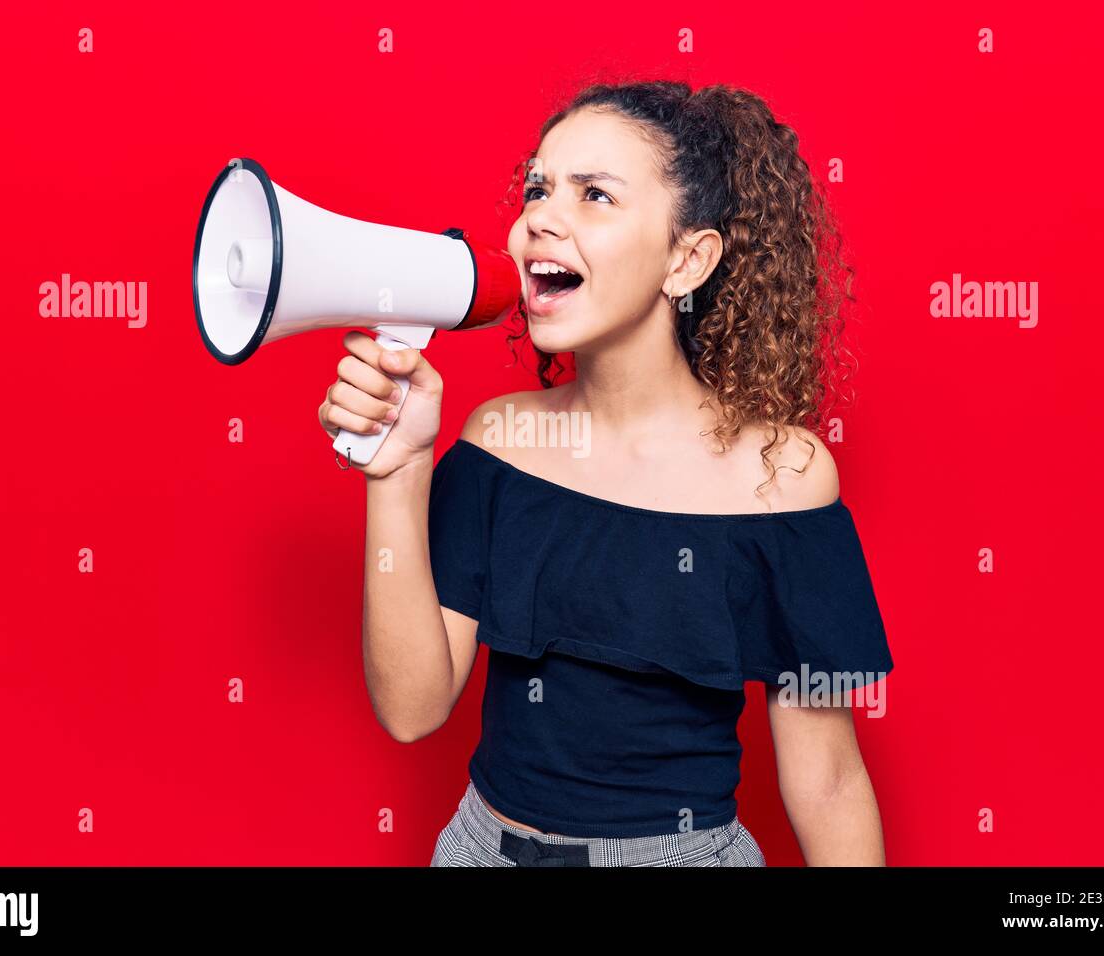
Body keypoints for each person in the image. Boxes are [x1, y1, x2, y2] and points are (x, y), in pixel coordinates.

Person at [319, 79, 895, 866]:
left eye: (595, 194)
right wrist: (398, 471)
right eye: (537, 188)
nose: (540, 218)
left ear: (687, 260)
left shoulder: (786, 478)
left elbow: (827, 778)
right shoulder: (498, 443)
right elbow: (413, 709)